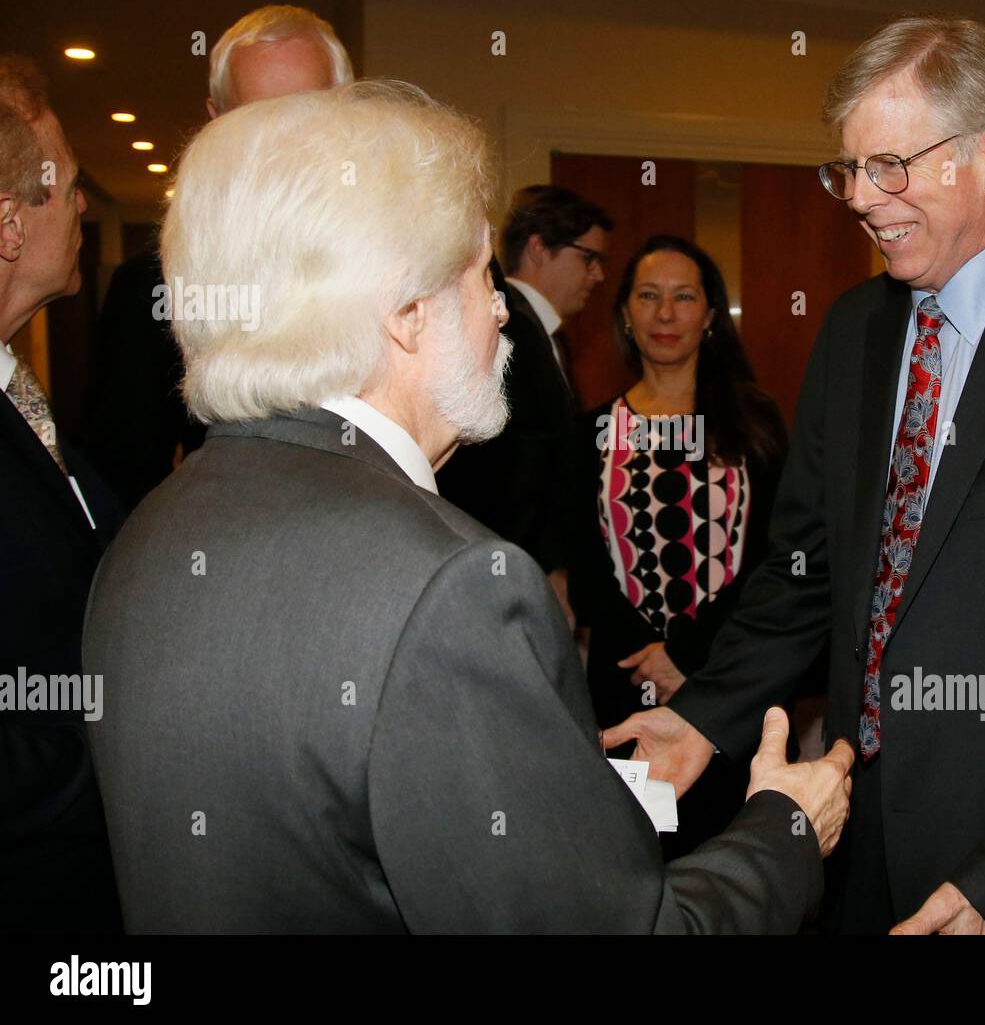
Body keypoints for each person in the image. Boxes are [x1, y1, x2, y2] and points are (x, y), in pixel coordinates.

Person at [83, 80, 854, 934]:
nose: (499, 311)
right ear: (408, 315)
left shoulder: (145, 533)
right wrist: (787, 826)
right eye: (482, 276)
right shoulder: (450, 587)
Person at [604, 14, 985, 935]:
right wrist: (704, 716)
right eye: (847, 169)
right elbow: (803, 574)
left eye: (892, 165)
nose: (859, 197)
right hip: (852, 837)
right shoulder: (855, 332)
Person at [84, 4, 354, 511]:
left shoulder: (417, 257)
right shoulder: (155, 287)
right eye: (255, 117)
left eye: (306, 112)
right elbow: (123, 481)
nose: (282, 142)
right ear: (214, 121)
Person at [570, 235, 787, 858]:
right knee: (632, 863)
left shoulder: (755, 423)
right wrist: (649, 658)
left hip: (729, 684)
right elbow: (584, 570)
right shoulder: (590, 432)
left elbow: (779, 560)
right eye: (649, 296)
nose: (666, 315)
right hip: (623, 686)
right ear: (626, 314)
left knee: (731, 869)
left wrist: (687, 653)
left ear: (711, 316)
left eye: (684, 297)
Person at [0, 55, 122, 932]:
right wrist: (126, 743)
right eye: (70, 188)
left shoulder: (19, 386)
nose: (84, 207)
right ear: (9, 225)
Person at [436, 185, 612, 620]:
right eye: (588, 257)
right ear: (538, 247)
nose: (598, 276)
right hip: (493, 575)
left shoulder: (549, 336)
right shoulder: (505, 325)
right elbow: (508, 469)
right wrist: (541, 567)